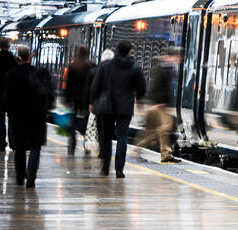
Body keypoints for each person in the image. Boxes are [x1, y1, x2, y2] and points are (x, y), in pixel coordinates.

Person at [89, 39, 146, 178]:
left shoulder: (105, 66)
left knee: (106, 136)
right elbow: (142, 89)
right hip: (125, 108)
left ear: (117, 50)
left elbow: (95, 86)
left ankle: (105, 167)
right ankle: (119, 169)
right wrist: (137, 96)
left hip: (107, 106)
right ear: (129, 52)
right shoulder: (135, 68)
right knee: (122, 138)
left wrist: (93, 102)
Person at [4, 45, 53, 187]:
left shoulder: (11, 75)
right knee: (35, 147)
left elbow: (7, 99)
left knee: (19, 148)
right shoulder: (40, 73)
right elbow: (48, 97)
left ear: (18, 57)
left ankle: (20, 178)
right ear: (30, 57)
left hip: (18, 118)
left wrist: (11, 113)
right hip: (37, 117)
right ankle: (31, 178)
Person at [136, 48, 180, 163]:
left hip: (162, 105)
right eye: (178, 57)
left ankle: (164, 154)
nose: (179, 60)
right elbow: (154, 86)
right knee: (164, 129)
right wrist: (156, 103)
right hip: (159, 105)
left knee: (159, 130)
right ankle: (164, 154)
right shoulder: (163, 68)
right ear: (173, 56)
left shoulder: (167, 67)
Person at [64, 46, 93, 155]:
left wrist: (67, 98)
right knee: (87, 123)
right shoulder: (91, 66)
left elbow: (68, 84)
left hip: (74, 99)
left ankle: (72, 144)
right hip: (87, 99)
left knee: (72, 121)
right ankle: (87, 145)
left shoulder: (73, 66)